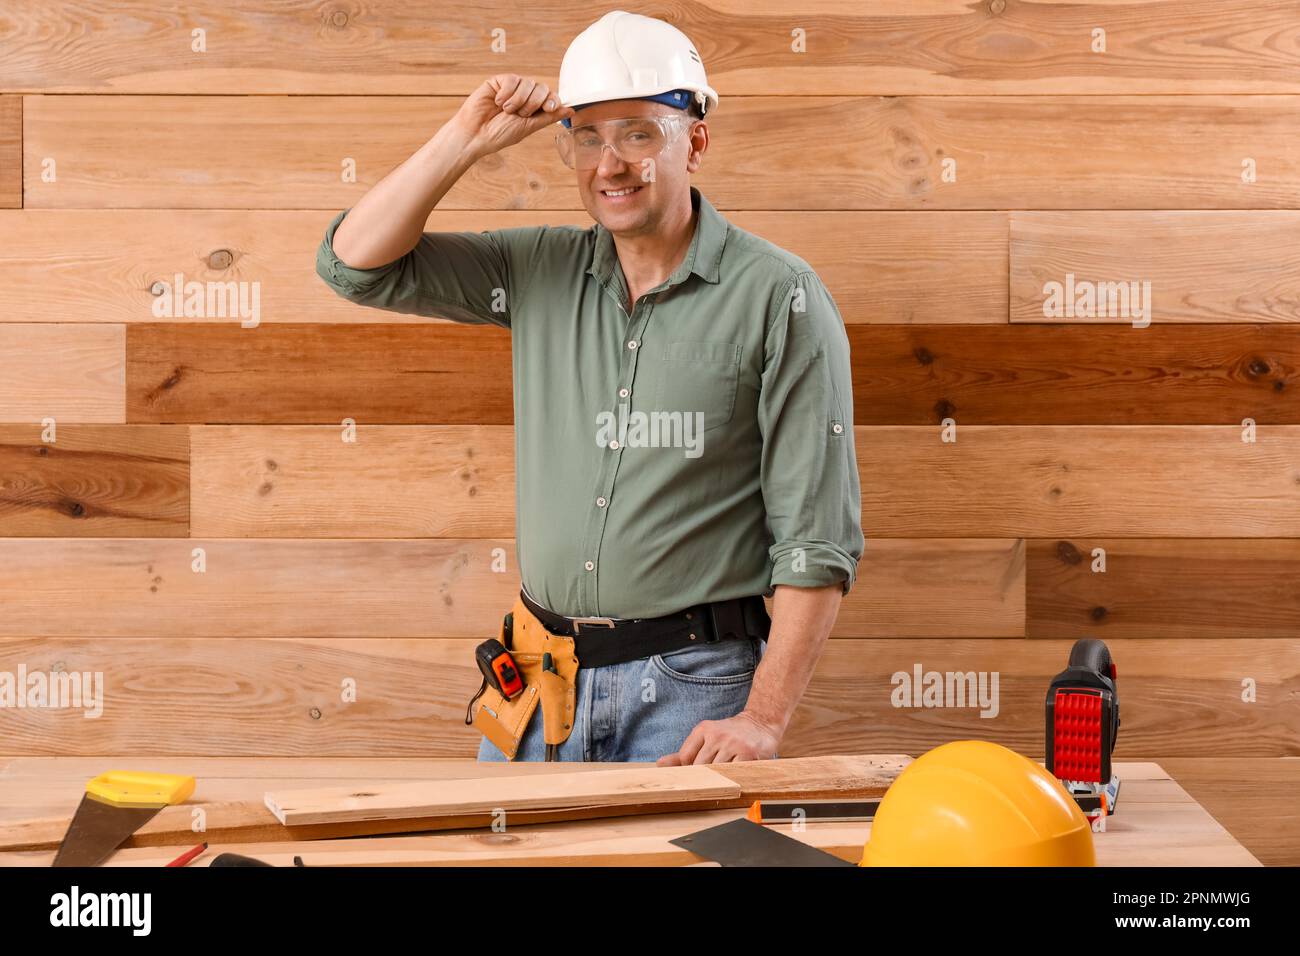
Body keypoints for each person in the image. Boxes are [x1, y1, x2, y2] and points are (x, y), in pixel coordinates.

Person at [316, 10, 863, 764]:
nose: (610, 164)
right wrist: (466, 140)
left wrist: (763, 719)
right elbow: (354, 264)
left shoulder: (780, 298)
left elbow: (816, 544)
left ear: (694, 141)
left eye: (639, 134)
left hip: (694, 694)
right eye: (587, 137)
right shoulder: (535, 271)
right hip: (540, 689)